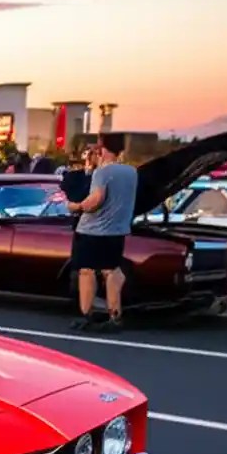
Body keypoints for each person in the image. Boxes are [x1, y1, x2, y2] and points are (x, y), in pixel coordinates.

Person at [66, 134, 138, 332]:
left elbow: (96, 200)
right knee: (111, 270)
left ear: (102, 147)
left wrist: (76, 206)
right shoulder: (132, 172)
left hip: (92, 231)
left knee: (87, 271)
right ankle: (115, 316)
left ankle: (85, 315)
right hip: (118, 230)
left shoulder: (103, 173)